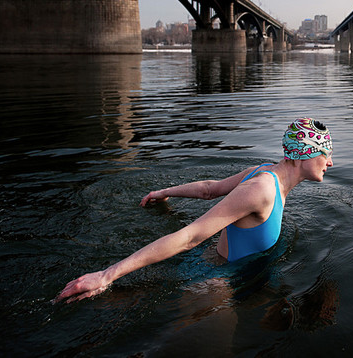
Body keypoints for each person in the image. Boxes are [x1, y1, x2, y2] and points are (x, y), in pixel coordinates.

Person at [56, 118, 333, 303]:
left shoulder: (264, 171)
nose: (330, 162)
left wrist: (164, 192)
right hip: (215, 286)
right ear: (303, 155)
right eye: (325, 153)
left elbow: (209, 189)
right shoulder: (263, 189)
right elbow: (190, 237)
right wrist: (106, 275)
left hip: (215, 266)